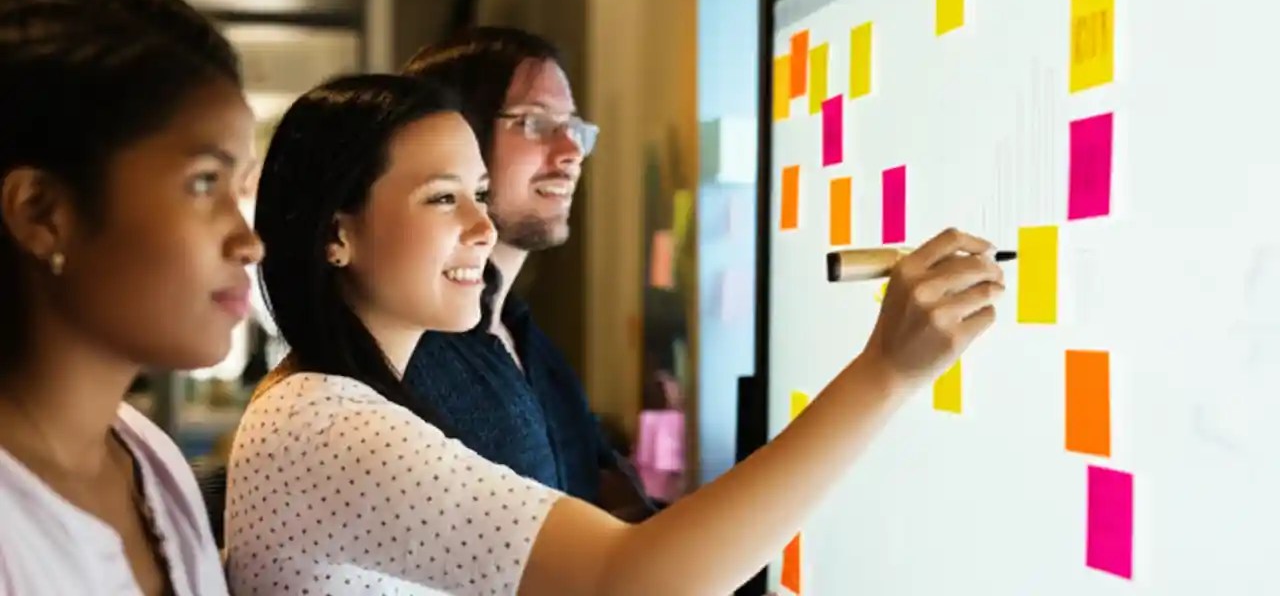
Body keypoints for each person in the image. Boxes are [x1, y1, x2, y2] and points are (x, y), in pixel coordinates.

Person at [223, 71, 1006, 594]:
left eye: (479, 193)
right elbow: (632, 581)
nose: (481, 225)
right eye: (441, 199)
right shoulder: (319, 423)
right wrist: (886, 373)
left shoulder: (347, 401)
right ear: (337, 234)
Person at [0, 0, 262, 595]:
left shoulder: (151, 460)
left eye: (240, 188)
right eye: (204, 183)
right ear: (43, 212)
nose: (248, 241)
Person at [398, 28, 652, 519]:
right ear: (456, 135)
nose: (570, 153)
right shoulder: (414, 354)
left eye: (573, 128)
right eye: (535, 124)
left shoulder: (527, 340)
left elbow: (614, 506)